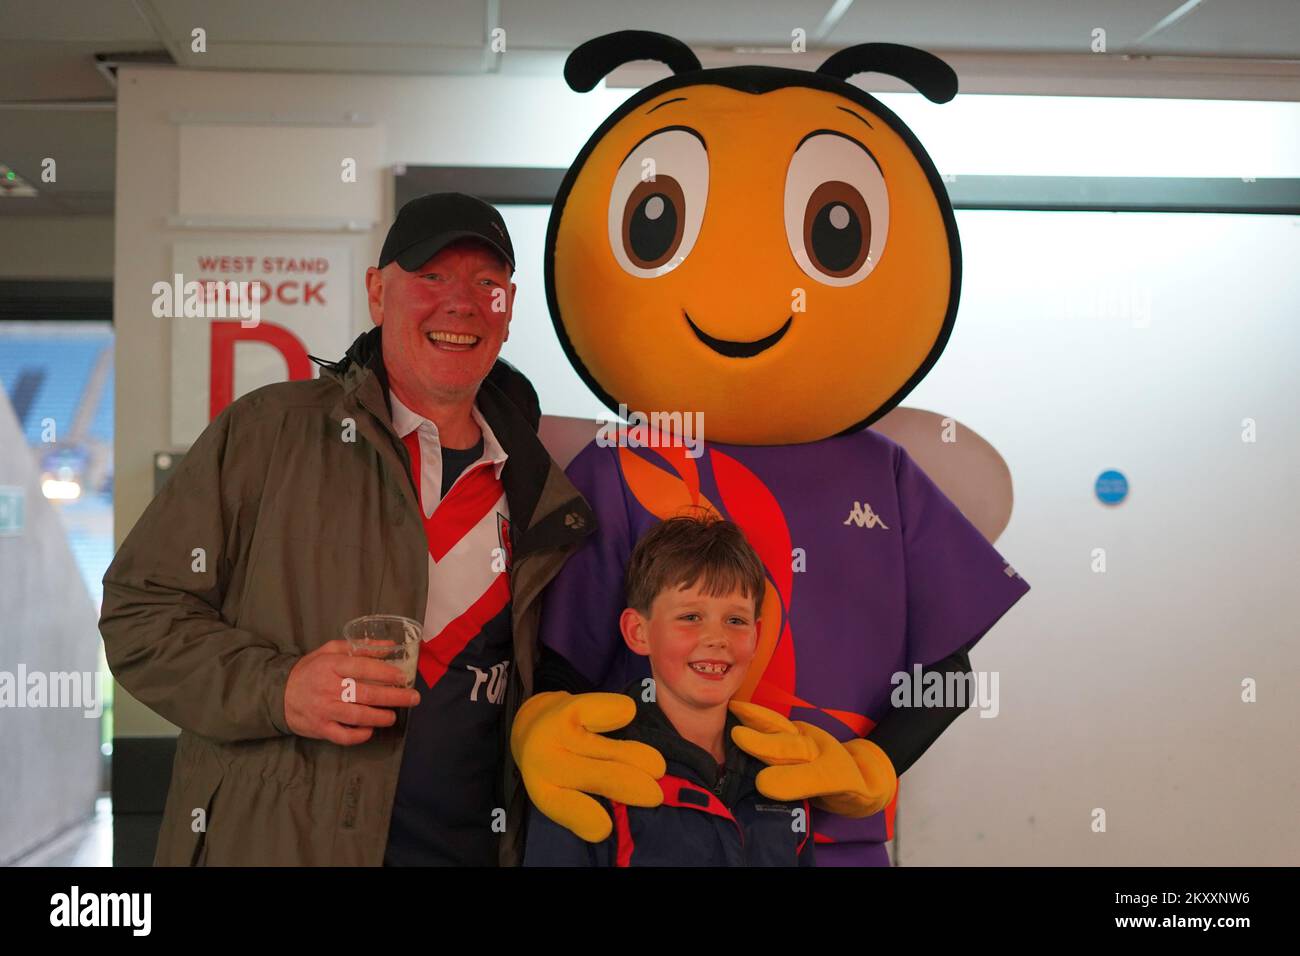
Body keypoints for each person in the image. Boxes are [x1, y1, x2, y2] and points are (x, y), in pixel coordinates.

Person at [99, 192, 594, 866]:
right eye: (432, 277)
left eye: (487, 283)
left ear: (508, 310)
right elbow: (138, 615)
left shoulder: (544, 490)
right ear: (378, 294)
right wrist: (278, 689)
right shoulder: (269, 433)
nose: (462, 302)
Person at [523, 513, 814, 866]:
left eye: (735, 620)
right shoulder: (587, 764)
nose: (716, 638)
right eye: (690, 617)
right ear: (637, 632)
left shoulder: (781, 772)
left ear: (756, 636)